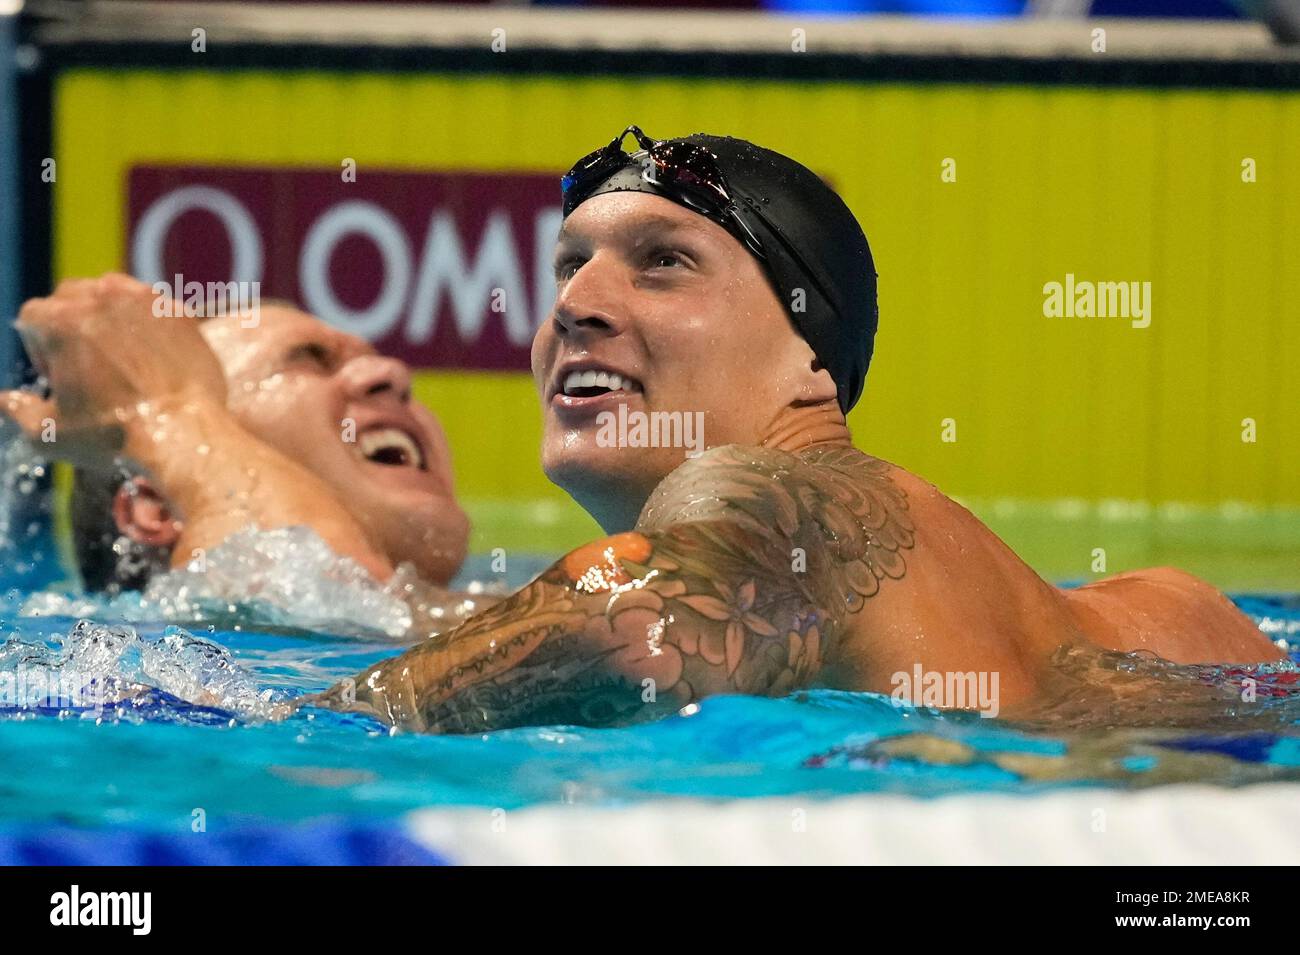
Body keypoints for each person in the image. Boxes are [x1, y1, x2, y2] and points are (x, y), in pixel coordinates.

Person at [304, 126, 1282, 732]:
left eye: (662, 262)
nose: (575, 304)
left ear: (814, 361)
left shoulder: (781, 496)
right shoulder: (1176, 605)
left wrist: (300, 719)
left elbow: (623, 624)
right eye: (567, 266)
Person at [2, 279, 480, 632]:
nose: (391, 372)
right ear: (159, 507)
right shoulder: (164, 692)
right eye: (308, 358)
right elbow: (308, 600)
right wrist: (170, 415)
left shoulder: (511, 613)